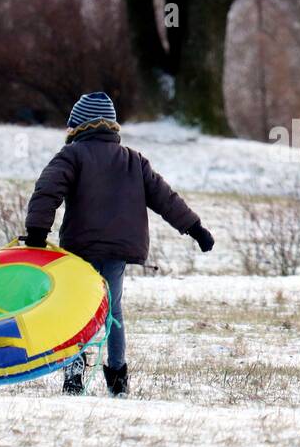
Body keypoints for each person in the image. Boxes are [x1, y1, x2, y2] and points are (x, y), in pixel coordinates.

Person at [24, 92, 214, 396]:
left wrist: (36, 232)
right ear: (112, 127)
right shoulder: (133, 160)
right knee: (112, 309)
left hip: (80, 249)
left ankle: (74, 371)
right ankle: (117, 376)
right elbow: (166, 199)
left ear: (78, 126)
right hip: (118, 250)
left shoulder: (71, 156)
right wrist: (196, 229)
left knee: (76, 308)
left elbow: (47, 192)